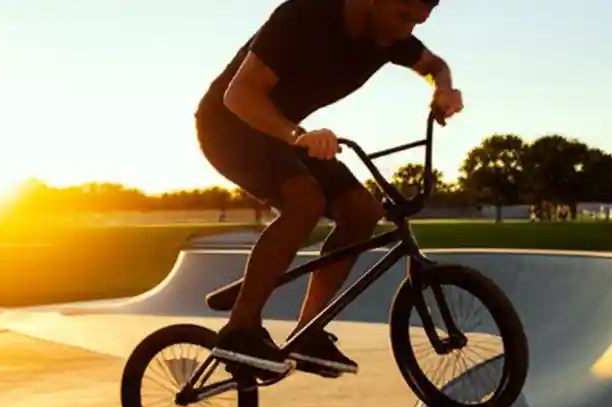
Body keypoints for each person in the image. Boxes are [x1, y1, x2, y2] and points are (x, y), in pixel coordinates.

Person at [194, 0, 463, 377]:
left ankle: (307, 332)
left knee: (362, 212)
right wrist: (296, 135)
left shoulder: (387, 37)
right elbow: (238, 95)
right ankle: (239, 330)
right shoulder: (305, 15)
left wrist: (444, 89)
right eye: (403, 17)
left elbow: (435, 66)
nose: (406, 32)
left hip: (287, 133)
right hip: (229, 126)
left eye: (416, 23)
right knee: (304, 200)